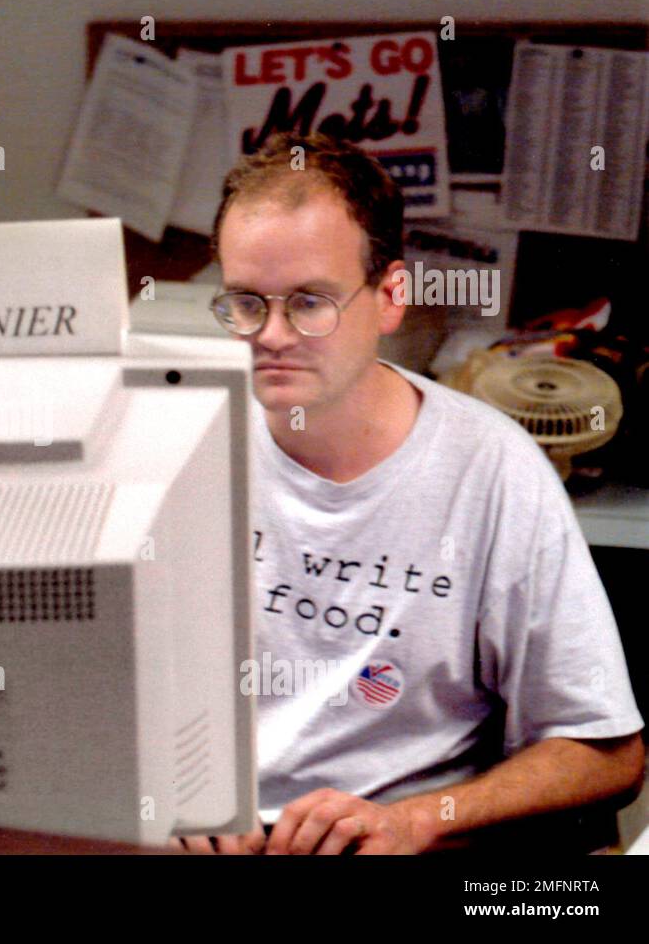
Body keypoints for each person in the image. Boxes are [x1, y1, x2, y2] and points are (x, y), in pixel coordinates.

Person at [179, 133, 643, 854]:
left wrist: (420, 821)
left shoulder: (492, 469)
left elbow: (607, 754)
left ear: (390, 296)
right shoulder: (176, 451)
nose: (270, 336)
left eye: (309, 303)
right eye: (245, 303)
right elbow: (87, 700)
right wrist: (177, 800)